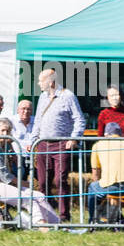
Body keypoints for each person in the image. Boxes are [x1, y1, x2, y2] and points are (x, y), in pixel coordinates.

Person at [0, 118, 59, 228]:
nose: (5, 134)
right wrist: (24, 184)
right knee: (28, 200)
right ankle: (42, 226)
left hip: (1, 184)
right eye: (2, 130)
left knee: (40, 196)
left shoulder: (2, 145)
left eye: (8, 131)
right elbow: (3, 175)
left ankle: (57, 224)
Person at [30, 67, 85, 222]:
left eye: (41, 80)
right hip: (43, 144)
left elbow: (79, 119)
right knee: (42, 182)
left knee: (60, 180)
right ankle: (45, 215)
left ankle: (63, 216)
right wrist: (33, 141)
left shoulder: (67, 96)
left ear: (51, 81)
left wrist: (74, 139)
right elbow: (38, 121)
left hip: (61, 143)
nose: (38, 83)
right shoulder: (42, 97)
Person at [86, 122, 124, 223]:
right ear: (121, 134)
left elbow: (95, 172)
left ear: (106, 135)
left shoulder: (98, 145)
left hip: (110, 185)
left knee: (92, 188)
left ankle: (93, 220)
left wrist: (100, 182)